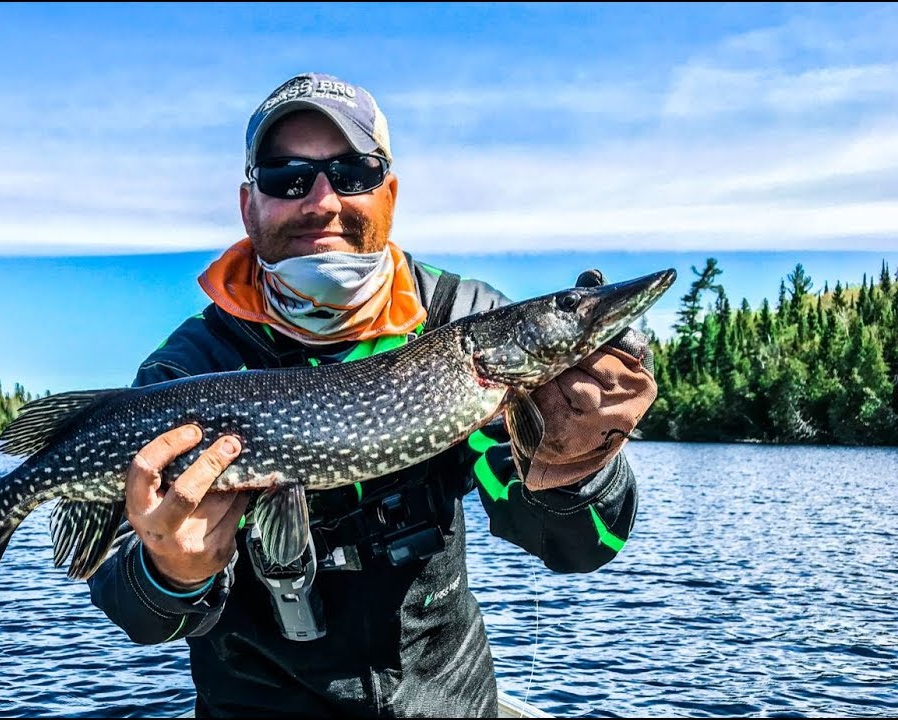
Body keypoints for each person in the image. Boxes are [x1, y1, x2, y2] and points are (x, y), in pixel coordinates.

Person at [87, 72, 657, 718]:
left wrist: (578, 465)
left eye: (353, 172)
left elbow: (586, 547)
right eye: (287, 177)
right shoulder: (190, 369)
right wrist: (170, 574)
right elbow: (126, 603)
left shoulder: (459, 325)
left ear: (389, 195)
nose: (323, 200)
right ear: (249, 205)